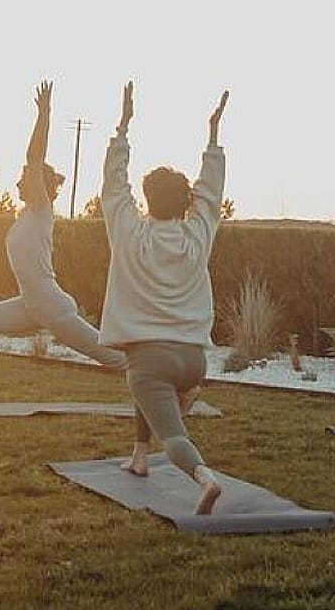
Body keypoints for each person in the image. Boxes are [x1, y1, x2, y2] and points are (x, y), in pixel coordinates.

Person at [0, 81, 128, 418]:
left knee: (113, 358)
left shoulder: (42, 211)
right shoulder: (25, 216)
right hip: (30, 304)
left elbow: (35, 157)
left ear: (38, 185)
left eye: (24, 178)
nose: (18, 182)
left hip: (50, 305)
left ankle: (176, 387)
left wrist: (44, 114)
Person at [100, 81, 229, 515]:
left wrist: (123, 126)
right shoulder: (197, 236)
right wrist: (213, 137)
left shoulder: (130, 233)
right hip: (193, 360)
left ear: (147, 200)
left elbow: (113, 184)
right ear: (185, 202)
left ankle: (204, 479)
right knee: (154, 398)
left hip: (150, 358)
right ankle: (139, 456)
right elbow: (211, 193)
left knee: (173, 436)